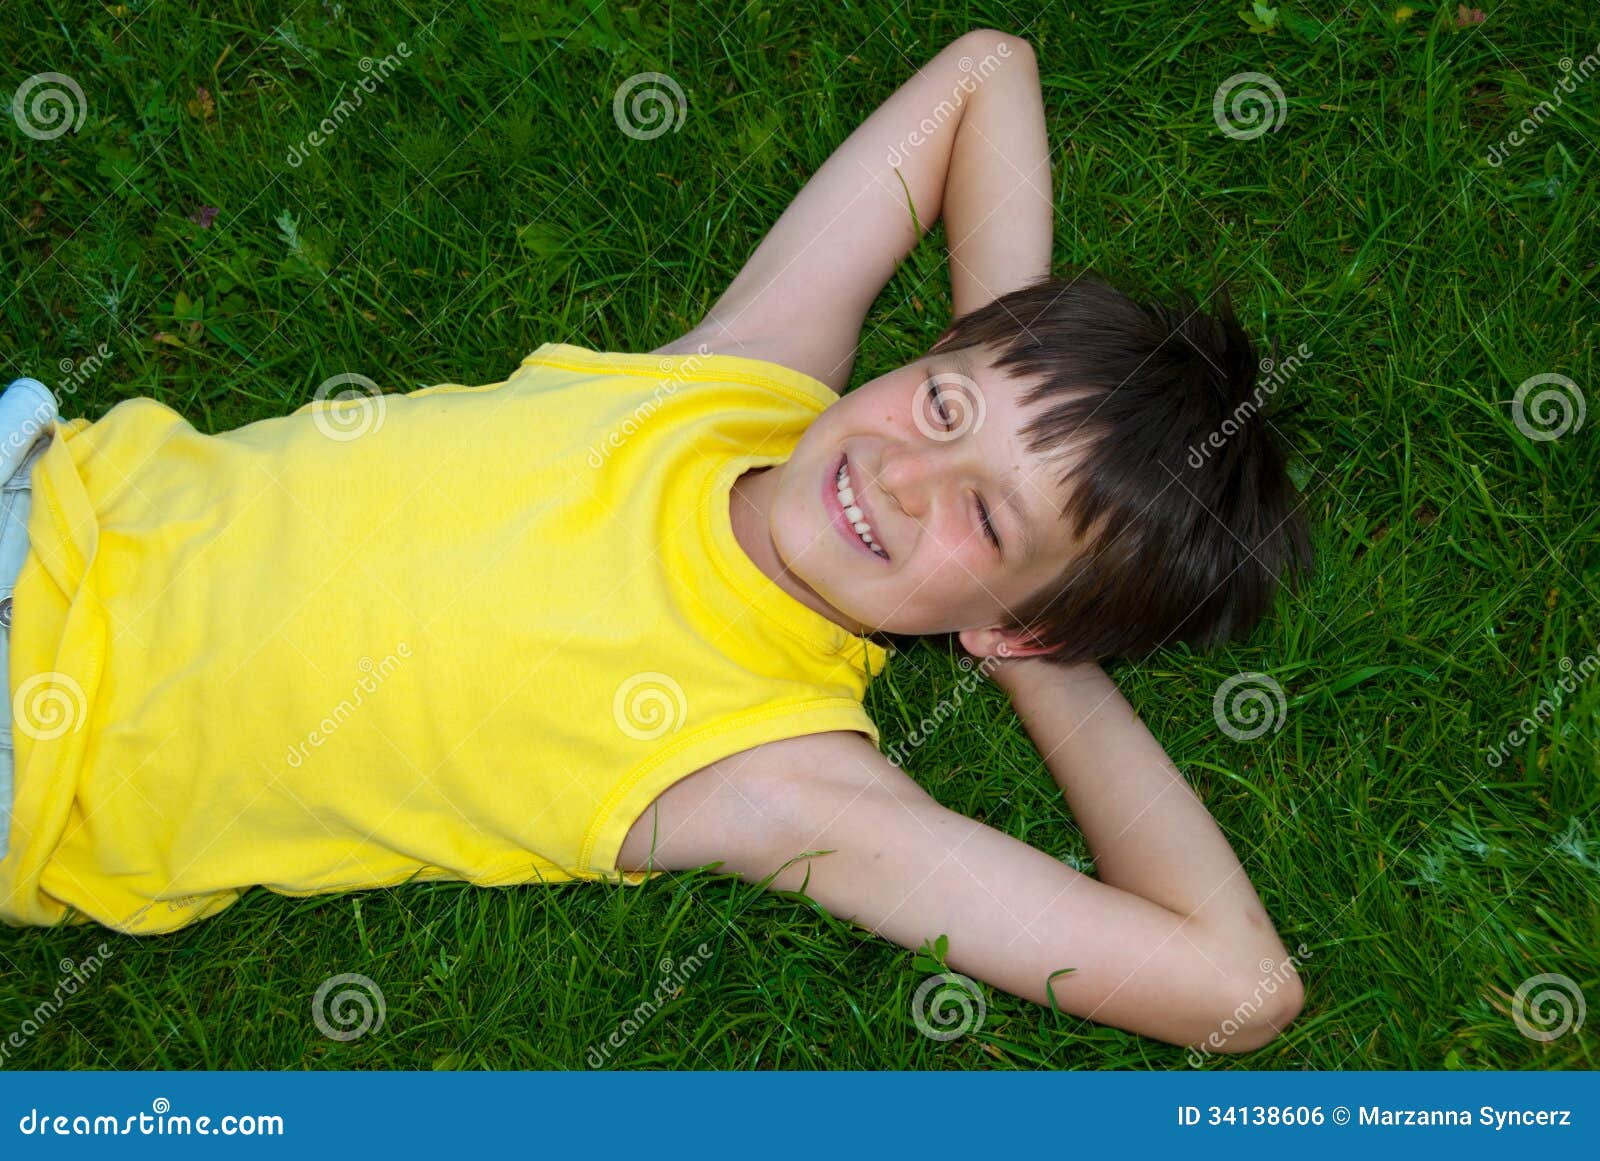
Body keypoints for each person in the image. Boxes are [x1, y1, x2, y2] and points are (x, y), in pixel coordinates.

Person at [1, 30, 1310, 1053]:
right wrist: (1004, 351)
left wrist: (1037, 658)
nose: (903, 476)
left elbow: (1239, 987)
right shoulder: (736, 380)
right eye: (941, 405)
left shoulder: (776, 772)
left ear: (1018, 617)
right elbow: (985, 74)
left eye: (982, 517)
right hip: (44, 491)